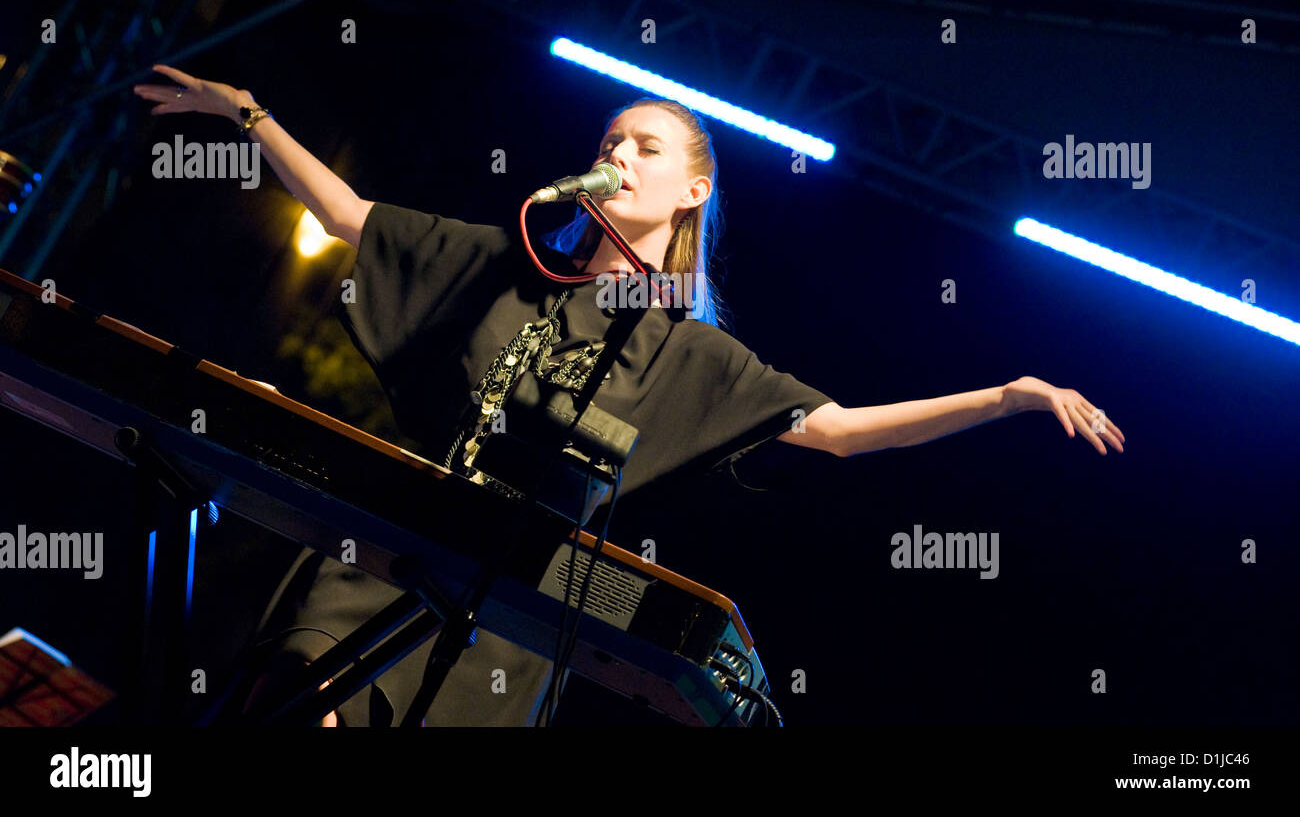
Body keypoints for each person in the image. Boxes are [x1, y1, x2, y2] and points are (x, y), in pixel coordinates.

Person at [133, 65, 1126, 726]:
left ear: (693, 190)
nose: (620, 151)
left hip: (511, 624)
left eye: (646, 144)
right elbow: (351, 217)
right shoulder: (506, 267)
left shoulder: (693, 356)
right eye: (612, 137)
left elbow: (839, 431)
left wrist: (1007, 393)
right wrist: (246, 111)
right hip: (385, 560)